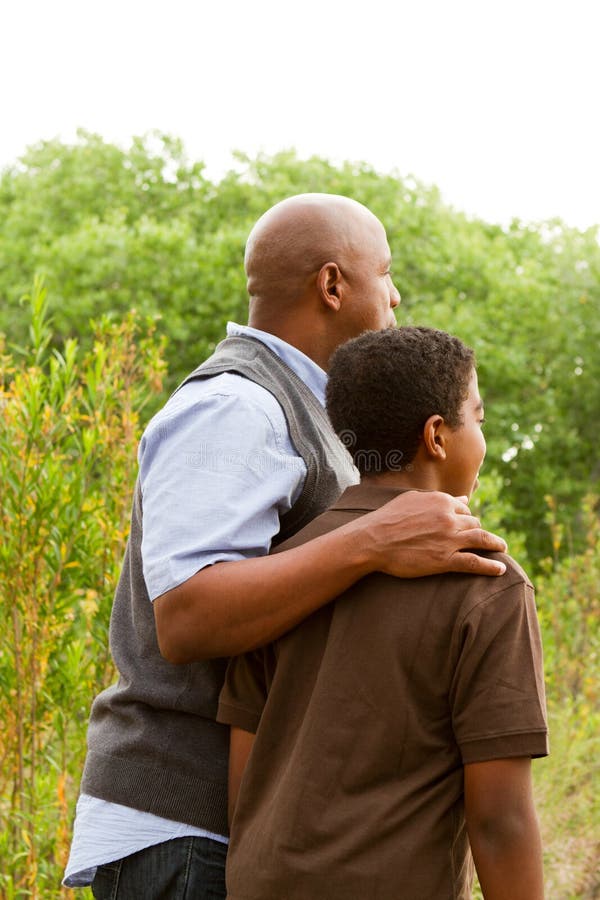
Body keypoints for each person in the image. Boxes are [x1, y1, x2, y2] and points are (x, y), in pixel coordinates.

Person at [64, 194, 508, 899]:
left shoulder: (305, 411)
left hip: (240, 834)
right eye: (384, 272)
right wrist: (373, 539)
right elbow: (187, 616)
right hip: (186, 832)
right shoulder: (236, 406)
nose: (396, 294)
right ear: (333, 285)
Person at [218, 326, 548, 900]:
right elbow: (500, 821)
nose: (484, 436)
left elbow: (246, 785)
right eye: (479, 418)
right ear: (437, 437)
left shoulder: (277, 572)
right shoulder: (487, 581)